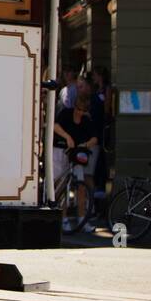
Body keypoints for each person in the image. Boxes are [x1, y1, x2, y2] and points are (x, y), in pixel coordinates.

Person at [53, 81, 100, 232]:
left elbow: (94, 138)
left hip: (76, 153)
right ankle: (63, 218)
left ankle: (82, 220)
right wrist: (68, 137)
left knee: (80, 186)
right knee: (62, 185)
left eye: (83, 110)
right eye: (78, 109)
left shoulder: (86, 120)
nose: (79, 112)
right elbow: (55, 126)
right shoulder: (66, 113)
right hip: (61, 150)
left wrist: (85, 145)